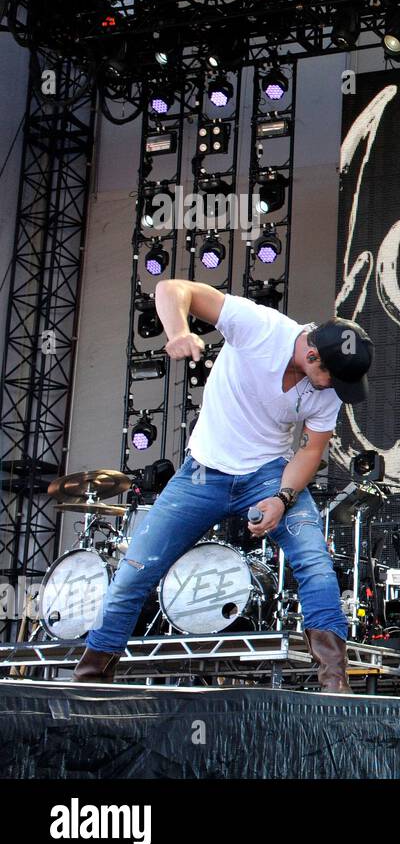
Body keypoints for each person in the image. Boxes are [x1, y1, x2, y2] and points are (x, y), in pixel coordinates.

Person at [72, 279, 373, 692]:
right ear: (312, 353)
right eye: (330, 378)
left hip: (268, 474)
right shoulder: (258, 326)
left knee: (315, 563)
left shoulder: (329, 390)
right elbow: (172, 289)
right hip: (203, 473)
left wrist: (283, 498)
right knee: (135, 570)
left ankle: (335, 685)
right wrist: (178, 332)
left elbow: (310, 451)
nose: (331, 388)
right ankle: (90, 682)